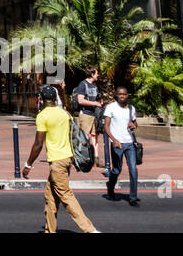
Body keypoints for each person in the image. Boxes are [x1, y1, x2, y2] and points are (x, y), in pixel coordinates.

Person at [22, 84, 98, 233]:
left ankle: (90, 230)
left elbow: (38, 144)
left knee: (66, 196)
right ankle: (49, 230)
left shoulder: (43, 116)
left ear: (41, 99)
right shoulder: (65, 114)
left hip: (57, 163)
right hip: (67, 159)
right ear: (55, 98)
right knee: (50, 198)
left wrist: (28, 165)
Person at [102, 86, 139, 206]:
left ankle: (133, 197)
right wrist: (114, 140)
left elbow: (135, 123)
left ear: (128, 95)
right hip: (117, 144)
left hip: (129, 143)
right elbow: (106, 127)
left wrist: (134, 125)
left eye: (124, 94)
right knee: (117, 170)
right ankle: (110, 185)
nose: (122, 96)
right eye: (120, 94)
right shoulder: (111, 107)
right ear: (116, 95)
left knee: (133, 169)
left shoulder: (131, 108)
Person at [73, 67, 103, 168]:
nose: (98, 75)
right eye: (97, 73)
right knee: (84, 137)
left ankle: (95, 159)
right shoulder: (83, 84)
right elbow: (80, 100)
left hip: (94, 114)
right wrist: (94, 103)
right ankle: (82, 158)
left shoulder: (94, 86)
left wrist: (99, 102)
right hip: (85, 114)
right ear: (92, 74)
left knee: (95, 136)